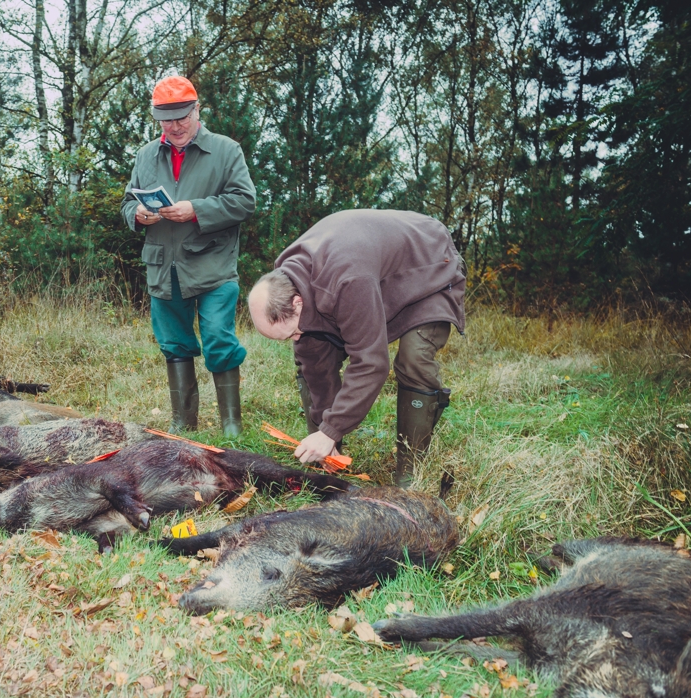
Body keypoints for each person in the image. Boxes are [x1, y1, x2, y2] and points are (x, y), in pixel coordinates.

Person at [247, 209, 466, 487]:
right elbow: (315, 363)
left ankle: (410, 473)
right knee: (313, 350)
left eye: (291, 332)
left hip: (429, 266)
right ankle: (326, 457)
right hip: (376, 279)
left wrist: (330, 431)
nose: (294, 339)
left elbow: (371, 364)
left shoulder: (346, 279)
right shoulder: (290, 277)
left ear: (297, 303)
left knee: (414, 359)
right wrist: (329, 433)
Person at [122, 75, 257, 436]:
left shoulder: (227, 150)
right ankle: (184, 423)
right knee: (174, 344)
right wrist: (136, 214)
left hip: (213, 266)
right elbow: (126, 202)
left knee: (218, 340)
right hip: (164, 269)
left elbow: (245, 201)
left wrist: (196, 209)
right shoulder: (145, 155)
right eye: (167, 119)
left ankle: (232, 425)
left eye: (182, 116)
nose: (175, 126)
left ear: (198, 109)